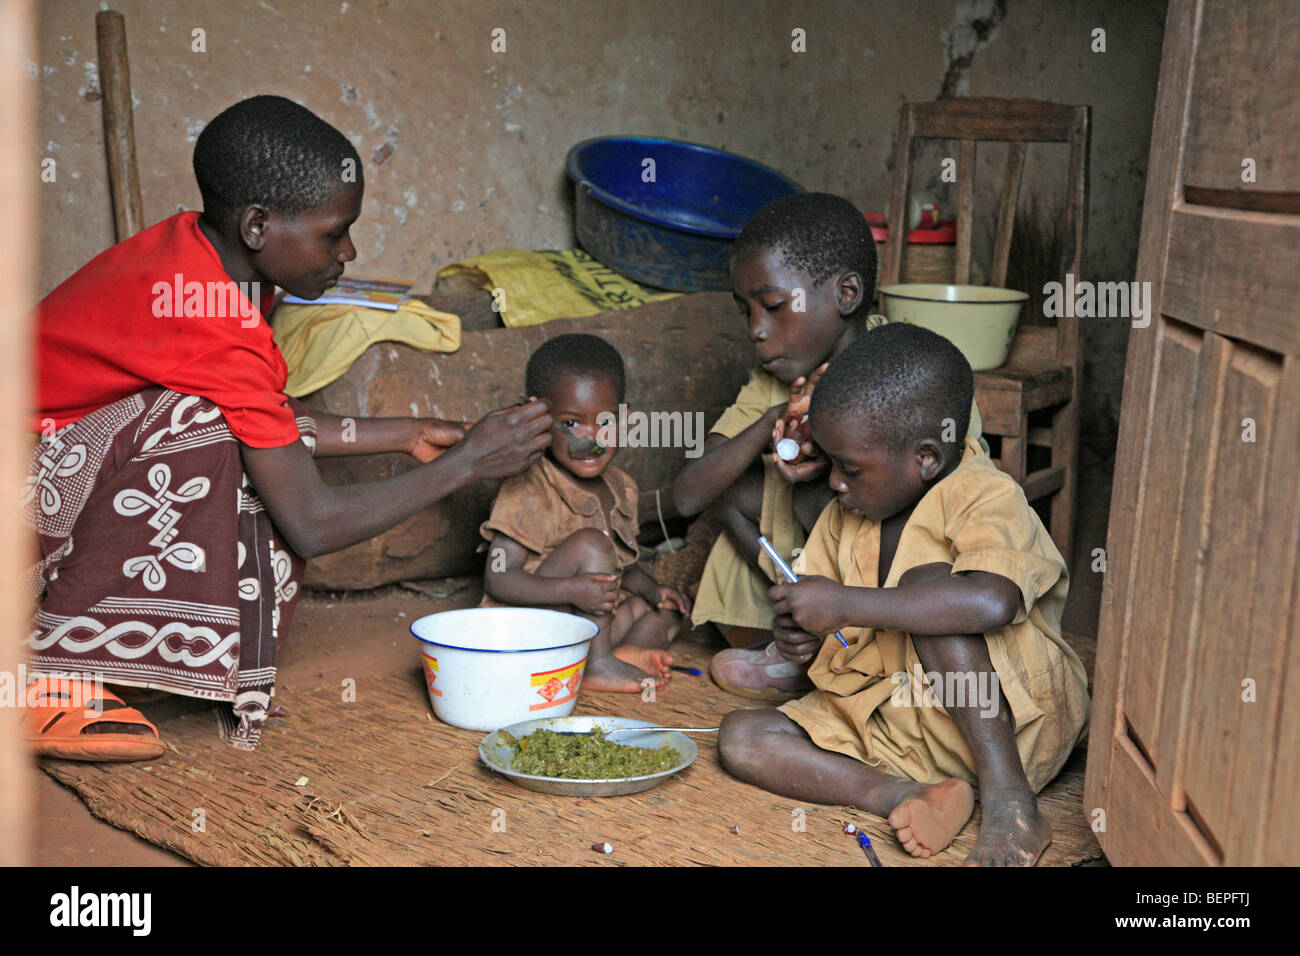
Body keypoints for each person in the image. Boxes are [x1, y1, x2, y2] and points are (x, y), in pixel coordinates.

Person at [24, 95, 551, 758]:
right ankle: (48, 678)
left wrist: (402, 434)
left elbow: (262, 414)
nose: (348, 250)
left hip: (48, 476)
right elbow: (311, 520)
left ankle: (118, 655)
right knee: (209, 437)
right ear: (256, 226)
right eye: (334, 232)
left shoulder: (203, 261)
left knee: (219, 427)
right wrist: (465, 464)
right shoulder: (212, 317)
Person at [716, 324, 1090, 866]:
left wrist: (844, 602)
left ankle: (1011, 802)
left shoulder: (984, 494)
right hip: (899, 736)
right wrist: (801, 637)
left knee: (930, 590)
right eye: (832, 462)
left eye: (850, 468)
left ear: (926, 459)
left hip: (1007, 733)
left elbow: (991, 601)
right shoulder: (847, 514)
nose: (836, 483)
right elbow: (832, 630)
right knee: (742, 737)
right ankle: (908, 797)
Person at [671, 193, 983, 700]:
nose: (755, 329)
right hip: (808, 570)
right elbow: (687, 496)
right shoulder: (773, 383)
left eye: (773, 306)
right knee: (731, 487)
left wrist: (831, 459)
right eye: (745, 311)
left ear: (846, 293)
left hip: (897, 577)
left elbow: (958, 499)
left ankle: (849, 641)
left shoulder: (911, 369)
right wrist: (775, 419)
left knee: (830, 492)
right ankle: (799, 621)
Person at [480, 334, 691, 692]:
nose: (592, 439)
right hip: (533, 633)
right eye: (571, 424)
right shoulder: (530, 487)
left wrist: (653, 590)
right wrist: (572, 589)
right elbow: (499, 579)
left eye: (606, 422)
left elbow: (620, 566)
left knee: (665, 611)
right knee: (592, 544)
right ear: (533, 415)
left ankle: (624, 654)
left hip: (587, 625)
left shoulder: (621, 486)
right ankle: (596, 665)